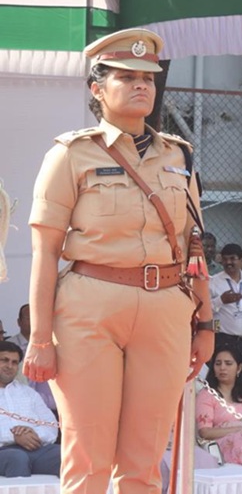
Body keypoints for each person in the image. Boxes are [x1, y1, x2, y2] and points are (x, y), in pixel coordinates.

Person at [25, 28, 215, 493]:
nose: (141, 85)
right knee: (88, 457)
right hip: (90, 310)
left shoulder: (179, 155)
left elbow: (195, 245)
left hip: (166, 310)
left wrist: (206, 323)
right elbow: (45, 252)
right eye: (126, 76)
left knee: (145, 461)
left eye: (148, 77)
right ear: (97, 88)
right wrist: (40, 338)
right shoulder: (70, 155)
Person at [0, 342, 60, 478]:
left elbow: (51, 426)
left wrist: (33, 434)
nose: (9, 366)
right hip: (4, 452)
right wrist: (14, 436)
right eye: (4, 360)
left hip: (36, 449)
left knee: (65, 454)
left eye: (14, 362)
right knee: (17, 458)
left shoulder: (28, 393)